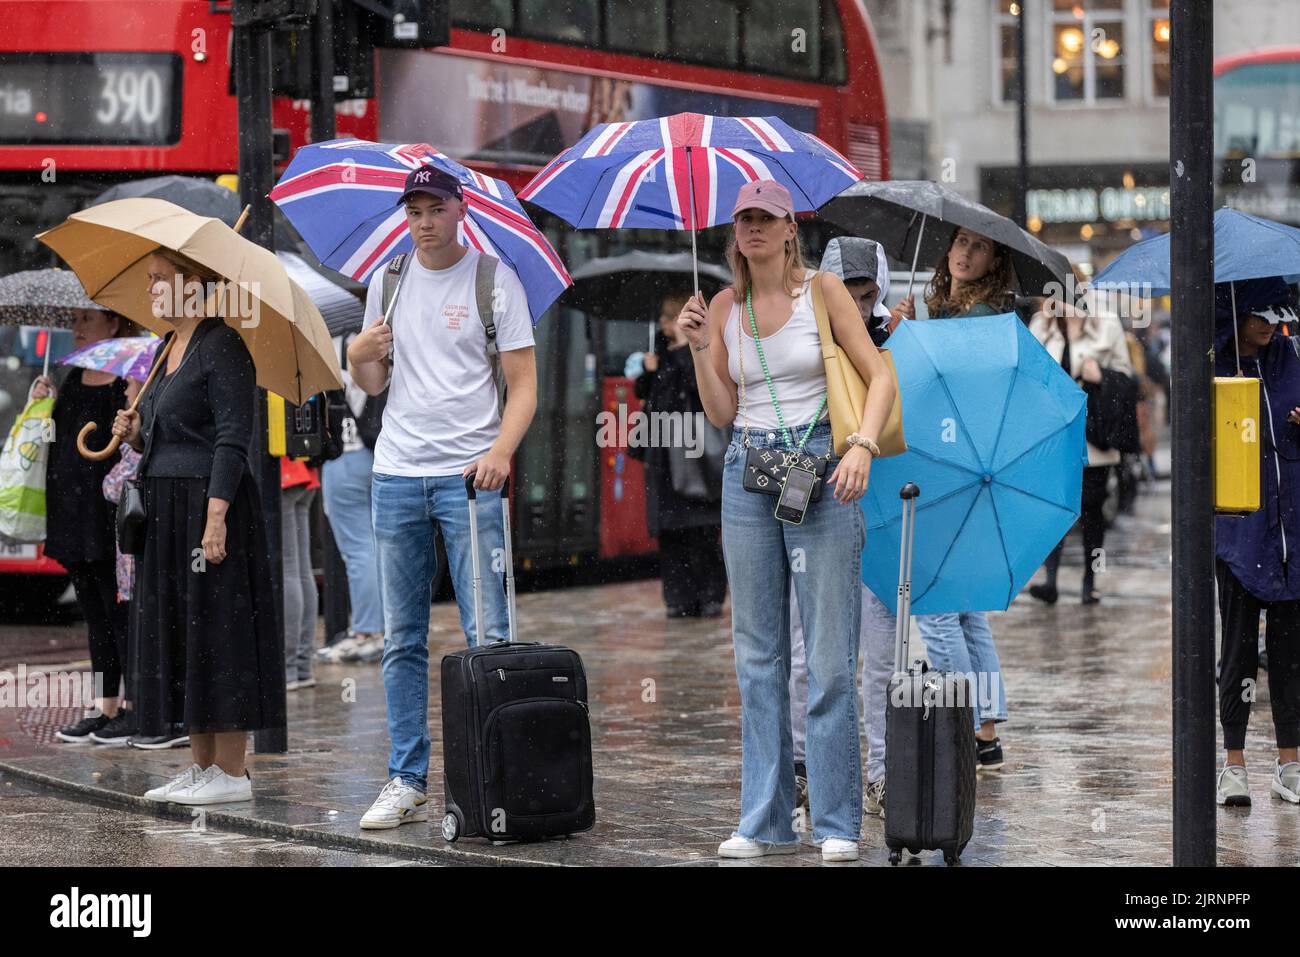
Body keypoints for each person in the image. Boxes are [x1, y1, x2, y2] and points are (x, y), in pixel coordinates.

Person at [677, 180, 896, 862]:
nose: (753, 228)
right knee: (757, 654)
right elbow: (719, 410)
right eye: (743, 218)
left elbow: (880, 375)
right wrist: (694, 345)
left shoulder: (824, 293)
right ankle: (764, 817)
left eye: (766, 217)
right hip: (750, 470)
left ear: (790, 228)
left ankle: (834, 820)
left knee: (830, 657)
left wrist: (860, 444)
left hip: (822, 464)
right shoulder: (723, 305)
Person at [347, 164, 537, 830]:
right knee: (402, 637)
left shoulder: (493, 280)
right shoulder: (388, 283)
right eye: (414, 211)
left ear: (460, 210)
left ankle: (492, 773)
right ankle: (405, 777)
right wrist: (358, 352)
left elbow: (524, 383)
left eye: (435, 209)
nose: (423, 222)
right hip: (395, 472)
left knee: (487, 635)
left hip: (469, 480)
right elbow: (372, 381)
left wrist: (500, 453)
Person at [111, 248, 284, 802]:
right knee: (183, 632)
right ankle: (202, 765)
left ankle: (232, 774)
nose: (153, 290)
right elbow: (174, 437)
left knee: (218, 632)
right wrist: (138, 433)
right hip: (165, 509)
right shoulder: (167, 350)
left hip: (206, 507)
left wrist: (216, 517)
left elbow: (233, 437)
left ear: (195, 286)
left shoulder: (223, 344)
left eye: (162, 281)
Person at [787, 237, 898, 820]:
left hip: (876, 508)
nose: (856, 305)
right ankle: (802, 768)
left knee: (880, 650)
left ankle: (879, 774)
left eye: (866, 293)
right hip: (810, 488)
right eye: (847, 292)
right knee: (807, 647)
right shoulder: (803, 336)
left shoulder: (892, 345)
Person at [894, 225, 1011, 771]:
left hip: (953, 471)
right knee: (965, 610)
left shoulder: (984, 317)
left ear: (995, 261)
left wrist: (910, 337)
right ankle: (985, 730)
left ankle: (965, 726)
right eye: (960, 242)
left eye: (979, 246)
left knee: (937, 606)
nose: (965, 253)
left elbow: (943, 384)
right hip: (957, 468)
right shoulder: (945, 311)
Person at [1210, 277, 1300, 807]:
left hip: (1291, 532)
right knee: (1237, 649)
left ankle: (1289, 762)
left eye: (1275, 316)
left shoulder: (1292, 357)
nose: (1268, 325)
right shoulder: (1214, 364)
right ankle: (1234, 763)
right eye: (1257, 316)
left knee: (1290, 653)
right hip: (1239, 531)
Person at [44, 308, 133, 746]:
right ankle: (105, 707)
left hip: (108, 516)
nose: (77, 329)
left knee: (119, 613)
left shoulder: (126, 382)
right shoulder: (71, 378)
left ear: (113, 325)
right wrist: (41, 401)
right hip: (72, 514)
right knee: (93, 614)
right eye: (75, 320)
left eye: (87, 319)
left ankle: (133, 707)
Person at [1027, 290, 1133, 605]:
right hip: (1053, 439)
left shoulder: (1106, 325)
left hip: (1094, 441)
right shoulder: (1041, 326)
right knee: (1053, 511)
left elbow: (1128, 381)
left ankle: (1091, 580)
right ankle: (1050, 580)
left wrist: (1101, 375)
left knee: (1093, 514)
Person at [634, 289, 727, 618]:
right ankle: (679, 599)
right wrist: (650, 370)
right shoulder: (661, 353)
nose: (662, 324)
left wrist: (679, 350)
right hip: (665, 459)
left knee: (701, 533)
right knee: (671, 536)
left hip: (694, 457)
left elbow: (694, 387)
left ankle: (709, 594)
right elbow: (647, 393)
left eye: (666, 317)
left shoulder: (695, 352)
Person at [316, 332, 386, 664]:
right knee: (377, 545)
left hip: (346, 454)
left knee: (358, 549)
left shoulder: (330, 344)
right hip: (379, 454)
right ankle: (385, 630)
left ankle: (367, 632)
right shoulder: (375, 338)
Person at [281, 456, 320, 690]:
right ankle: (303, 667)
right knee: (301, 569)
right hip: (305, 470)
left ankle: (288, 669)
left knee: (289, 569)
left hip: (283, 473)